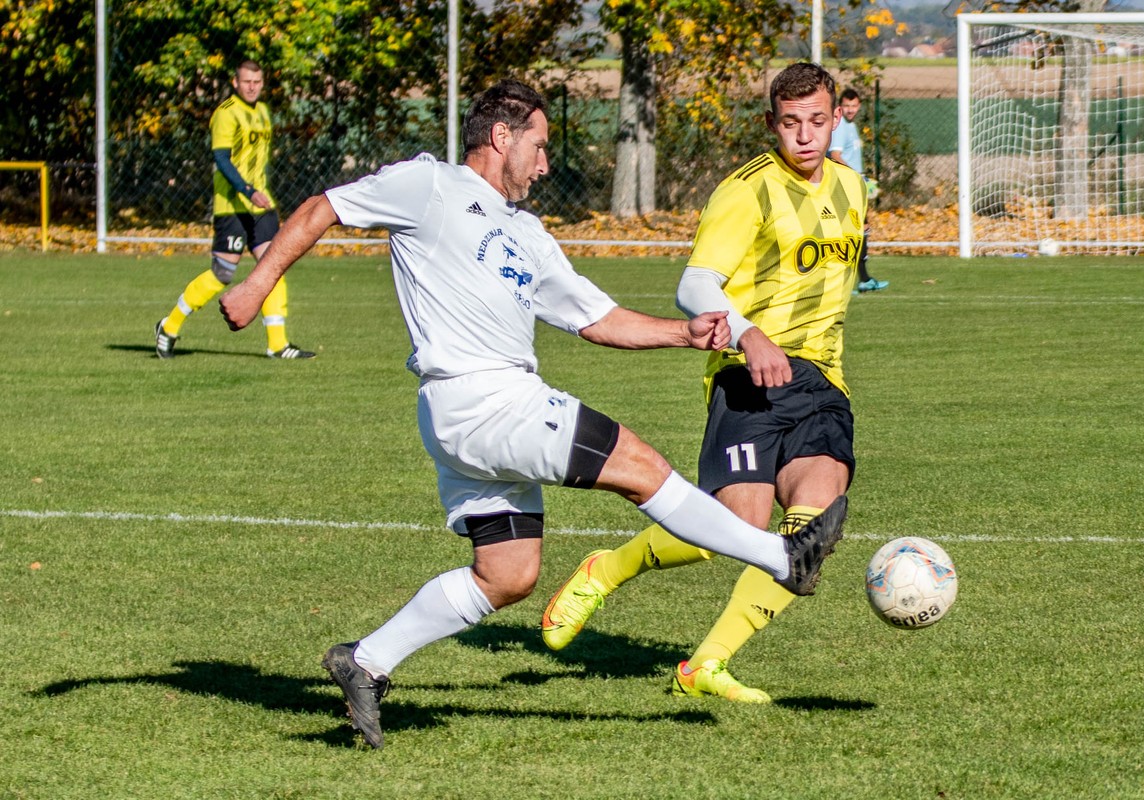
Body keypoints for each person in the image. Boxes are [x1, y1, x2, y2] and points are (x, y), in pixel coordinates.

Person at [217, 79, 846, 748]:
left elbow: (596, 319)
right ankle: (780, 557)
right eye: (540, 147)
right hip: (483, 398)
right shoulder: (430, 186)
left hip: (473, 414)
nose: (546, 163)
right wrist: (258, 284)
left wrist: (680, 333)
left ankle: (366, 661)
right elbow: (324, 206)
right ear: (501, 138)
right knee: (638, 464)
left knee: (508, 574)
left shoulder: (528, 232)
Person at [541, 62, 863, 703]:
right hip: (748, 374)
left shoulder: (853, 186)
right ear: (771, 124)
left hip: (822, 382)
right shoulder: (746, 191)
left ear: (836, 121)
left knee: (813, 530)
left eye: (817, 121)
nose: (805, 135)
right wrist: (747, 333)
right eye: (791, 123)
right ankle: (606, 569)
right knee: (732, 524)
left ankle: (706, 666)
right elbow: (694, 285)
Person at [154, 60, 314, 360]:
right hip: (233, 205)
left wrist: (260, 193)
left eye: (257, 81)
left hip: (262, 205)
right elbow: (222, 160)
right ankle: (169, 325)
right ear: (235, 82)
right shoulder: (226, 113)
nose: (252, 86)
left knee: (273, 266)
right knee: (222, 274)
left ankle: (278, 344)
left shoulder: (264, 112)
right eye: (246, 81)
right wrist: (248, 191)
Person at [827, 87, 887, 294]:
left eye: (854, 106)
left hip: (855, 182)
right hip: (847, 183)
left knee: (861, 228)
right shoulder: (841, 125)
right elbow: (834, 155)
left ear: (859, 106)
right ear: (840, 107)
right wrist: (857, 176)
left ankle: (863, 278)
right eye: (846, 106)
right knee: (856, 228)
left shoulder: (851, 125)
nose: (850, 110)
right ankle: (857, 279)